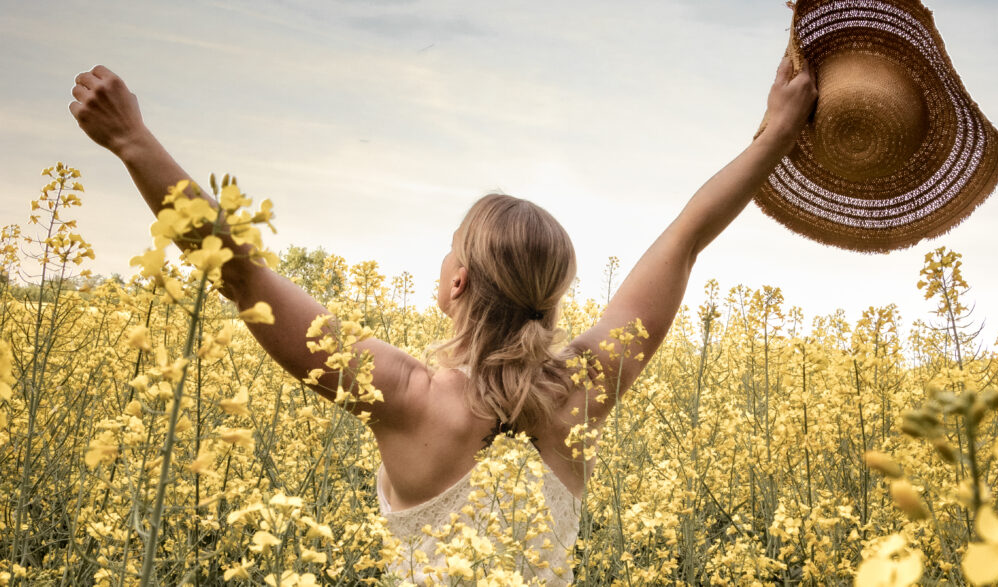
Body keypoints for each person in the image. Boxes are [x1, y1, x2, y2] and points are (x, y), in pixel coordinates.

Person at [70, 58, 816, 584]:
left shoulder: (401, 391)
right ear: (551, 298)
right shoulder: (580, 388)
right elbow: (686, 236)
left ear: (457, 279)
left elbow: (237, 270)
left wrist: (132, 138)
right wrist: (776, 136)